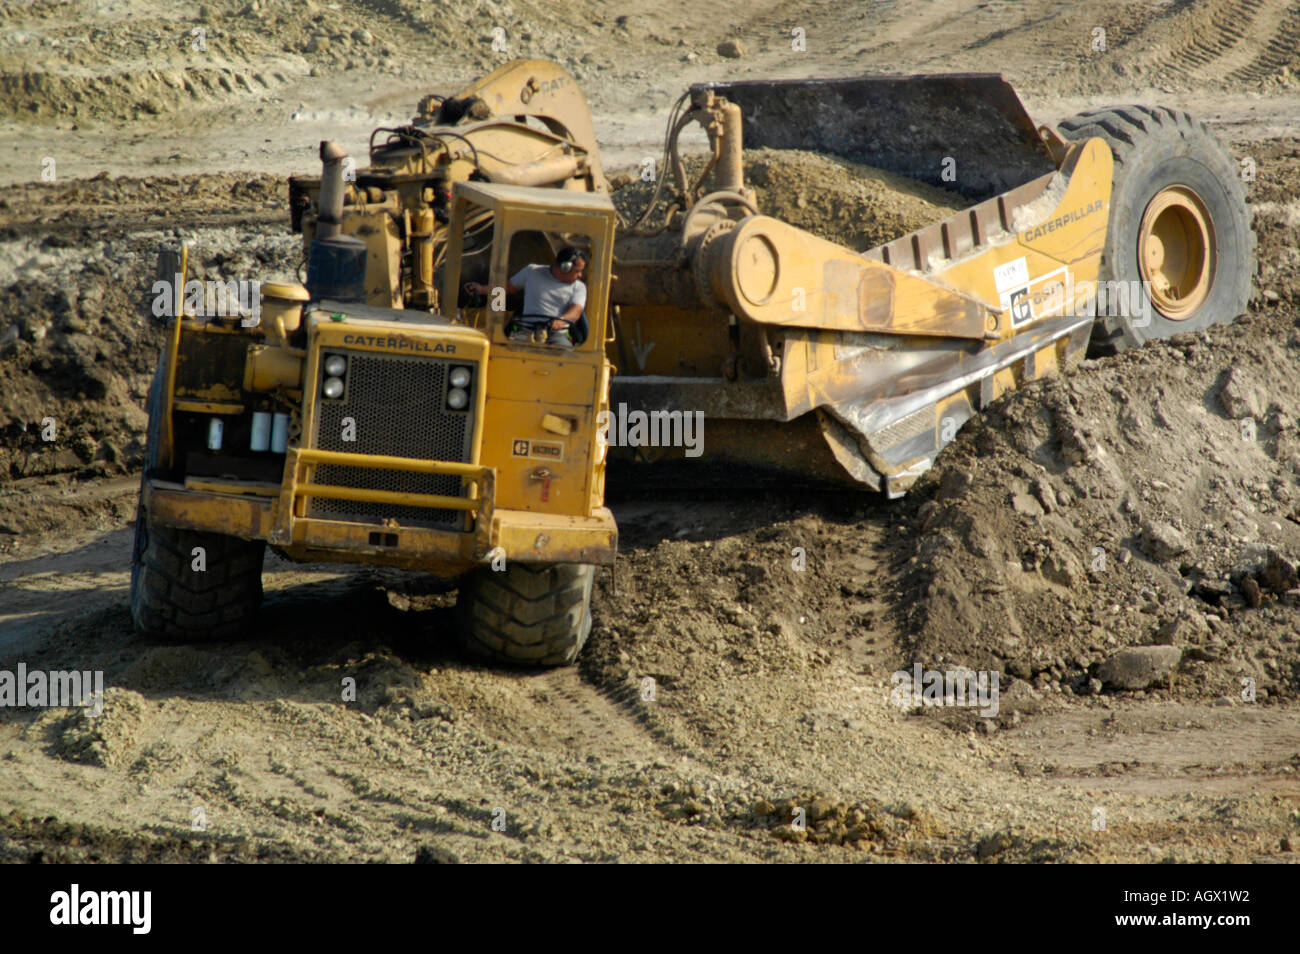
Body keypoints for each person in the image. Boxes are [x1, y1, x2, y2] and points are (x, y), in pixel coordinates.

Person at [465, 246, 588, 348]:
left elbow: (576, 311)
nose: (580, 275)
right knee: (508, 353)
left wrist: (561, 320)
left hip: (556, 335)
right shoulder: (532, 272)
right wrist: (481, 289)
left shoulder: (579, 287)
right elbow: (506, 289)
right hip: (526, 330)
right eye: (577, 271)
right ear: (564, 268)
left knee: (567, 356)